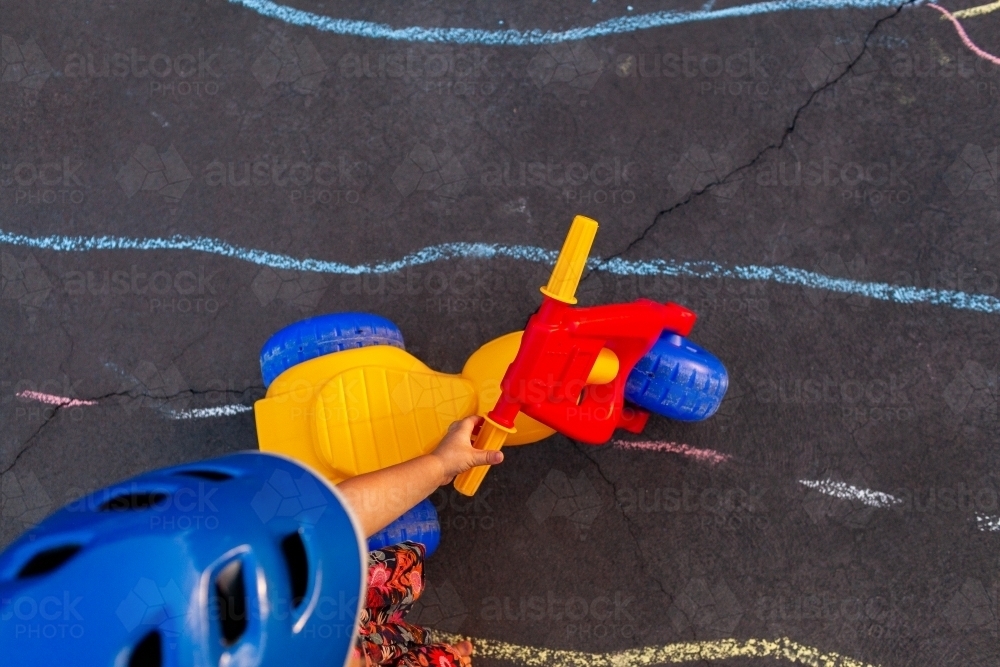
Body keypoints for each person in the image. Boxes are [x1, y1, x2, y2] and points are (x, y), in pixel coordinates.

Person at [338, 416, 503, 667]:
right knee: (436, 658)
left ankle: (419, 646)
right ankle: (432, 654)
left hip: (350, 616)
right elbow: (328, 522)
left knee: (402, 577)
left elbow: (334, 519)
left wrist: (440, 465)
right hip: (355, 636)